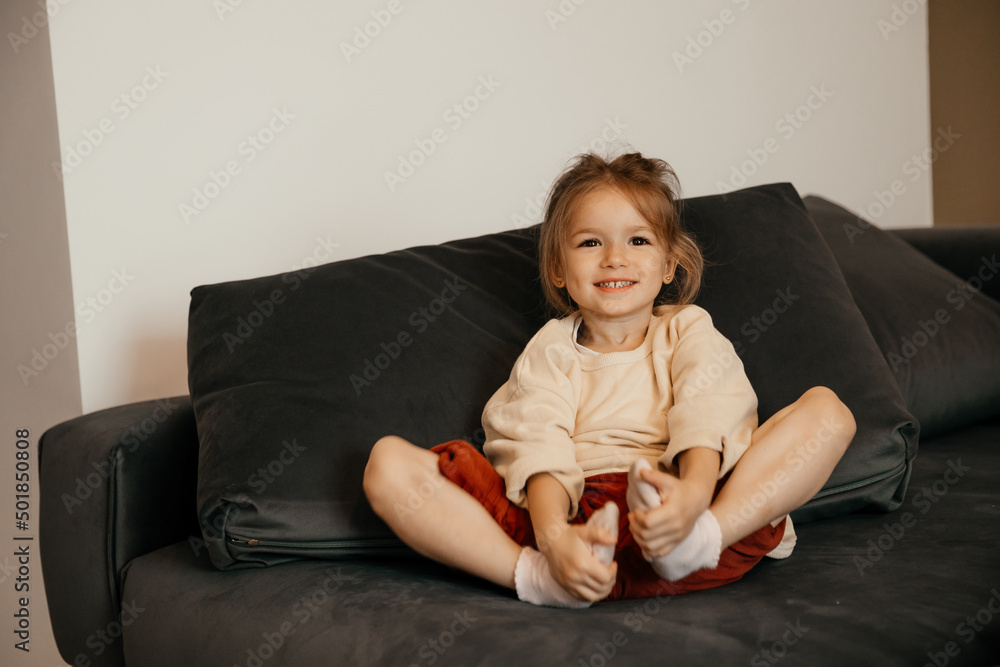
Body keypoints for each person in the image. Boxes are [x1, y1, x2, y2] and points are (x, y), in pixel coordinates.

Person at [364, 152, 855, 607]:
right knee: (387, 464)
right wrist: (555, 539)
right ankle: (535, 577)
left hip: (690, 516)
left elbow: (711, 408)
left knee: (829, 412)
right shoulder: (551, 349)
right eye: (590, 242)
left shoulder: (687, 328)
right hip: (572, 528)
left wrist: (693, 500)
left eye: (637, 240)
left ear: (668, 265)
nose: (614, 257)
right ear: (558, 267)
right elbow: (537, 443)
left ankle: (698, 541)